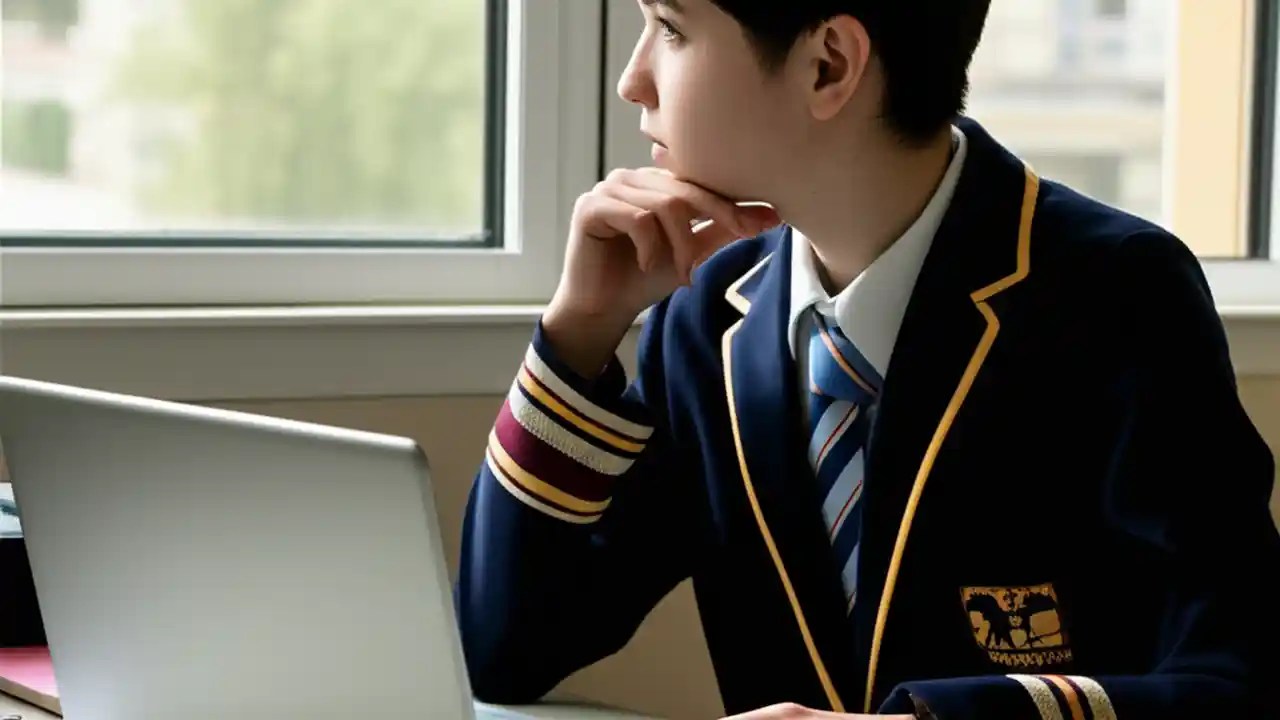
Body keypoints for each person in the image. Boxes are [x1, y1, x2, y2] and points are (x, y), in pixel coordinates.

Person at [454, 0, 1280, 717]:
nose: (632, 81)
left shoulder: (1117, 292)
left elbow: (1241, 679)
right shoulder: (708, 318)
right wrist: (578, 331)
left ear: (829, 65)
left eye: (670, 28)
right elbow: (505, 648)